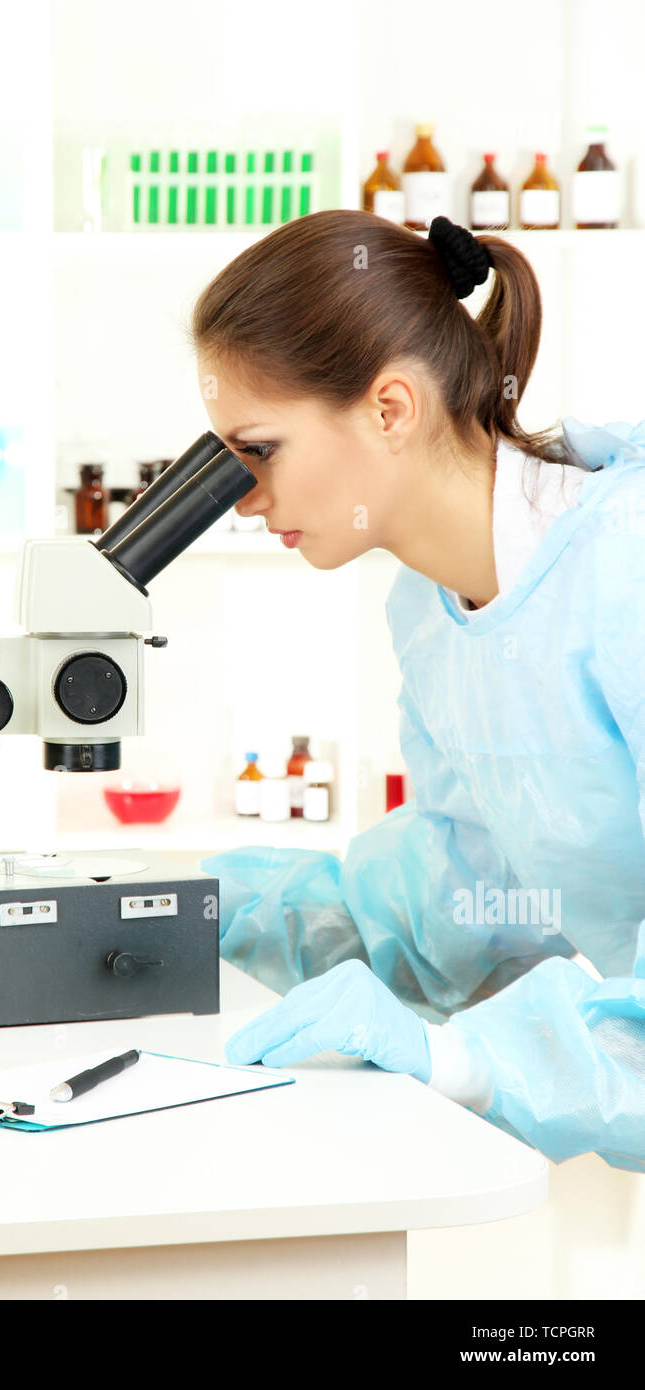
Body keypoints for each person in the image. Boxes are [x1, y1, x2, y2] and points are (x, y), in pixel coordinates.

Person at [191, 210, 645, 1172]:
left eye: (259, 450)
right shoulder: (431, 611)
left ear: (389, 408)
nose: (241, 497)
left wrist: (465, 1059)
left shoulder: (626, 570)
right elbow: (470, 895)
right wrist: (194, 909)